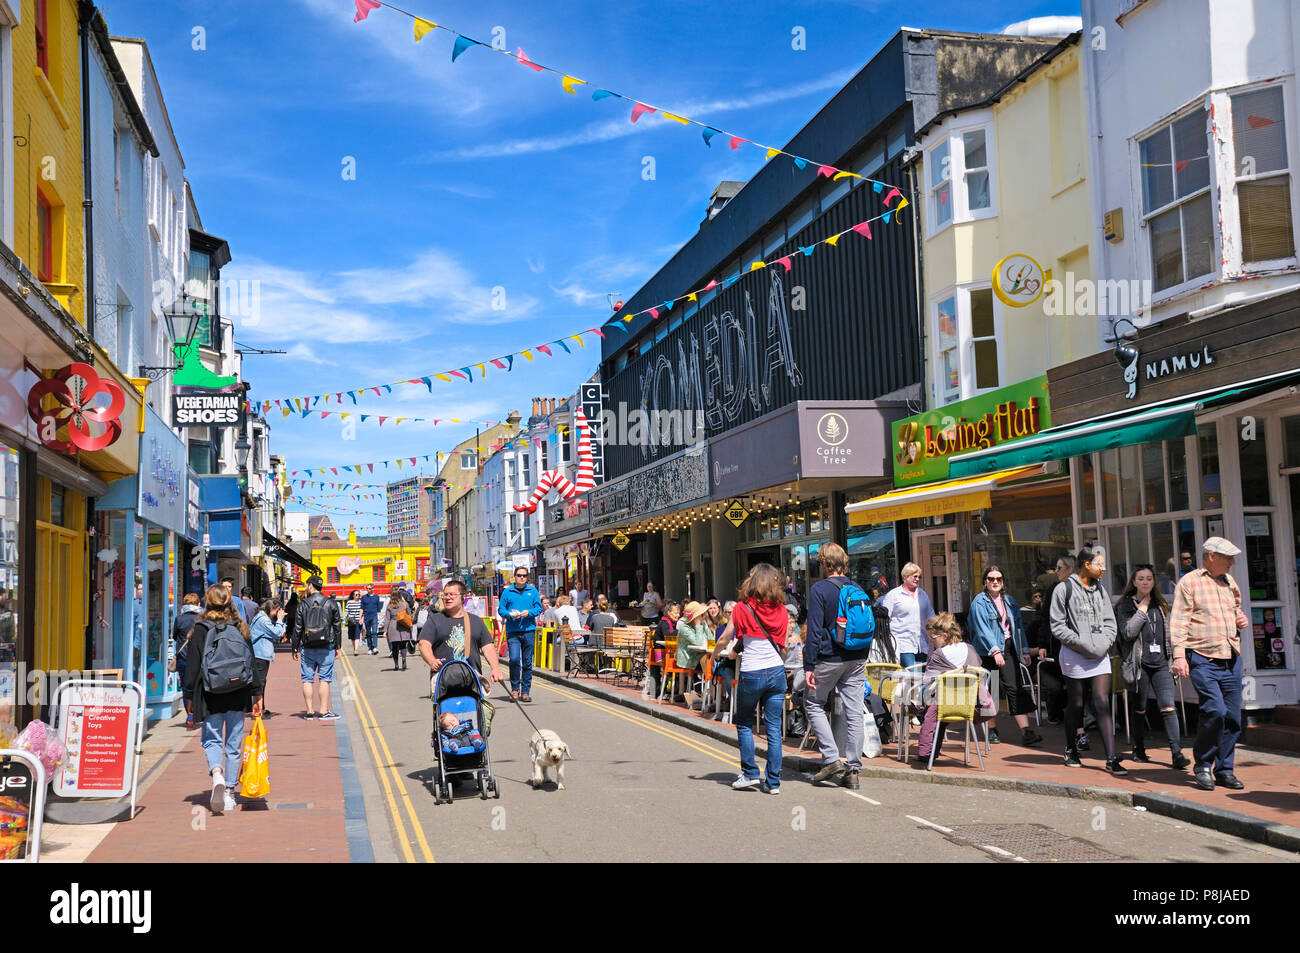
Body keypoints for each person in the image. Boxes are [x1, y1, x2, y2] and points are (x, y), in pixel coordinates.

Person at [1170, 538, 1249, 791]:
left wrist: (1239, 616)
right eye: (1228, 557)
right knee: (1215, 711)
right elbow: (1179, 620)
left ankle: (1224, 770)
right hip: (1202, 658)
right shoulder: (1190, 582)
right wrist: (1179, 656)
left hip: (1231, 657)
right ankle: (1203, 764)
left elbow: (1235, 607)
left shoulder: (1228, 581)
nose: (1233, 562)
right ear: (1212, 556)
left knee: (1234, 717)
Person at [184, 584, 263, 815]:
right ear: (229, 601)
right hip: (238, 690)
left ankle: (217, 773)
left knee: (212, 739)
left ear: (207, 601)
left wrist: (189, 696)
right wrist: (257, 693)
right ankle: (229, 792)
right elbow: (251, 660)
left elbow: (192, 667)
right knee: (233, 744)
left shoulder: (200, 628)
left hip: (210, 692)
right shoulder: (240, 626)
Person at [1050, 545, 1124, 775]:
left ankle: (1111, 758)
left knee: (1102, 701)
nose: (1103, 569)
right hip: (1075, 654)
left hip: (1100, 654)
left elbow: (1110, 621)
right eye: (1098, 564)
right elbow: (1057, 625)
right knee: (1077, 704)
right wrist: (1082, 643)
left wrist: (1105, 642)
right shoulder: (1063, 589)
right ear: (1085, 565)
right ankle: (1071, 748)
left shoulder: (1100, 590)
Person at [803, 542, 872, 789]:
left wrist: (809, 665)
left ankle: (831, 759)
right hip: (857, 656)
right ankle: (853, 770)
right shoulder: (857, 587)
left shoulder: (820, 589)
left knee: (812, 703)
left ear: (824, 563)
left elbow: (814, 631)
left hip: (828, 658)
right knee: (855, 711)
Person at [719, 563, 789, 794]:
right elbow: (784, 647)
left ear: (752, 582)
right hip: (777, 672)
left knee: (745, 723)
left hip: (752, 672)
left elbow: (726, 637)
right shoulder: (782, 610)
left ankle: (750, 773)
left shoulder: (741, 608)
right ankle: (773, 782)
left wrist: (713, 655)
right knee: (773, 729)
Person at [1116, 565, 1189, 770]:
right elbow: (1128, 632)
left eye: (1149, 578)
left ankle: (1176, 753)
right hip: (1139, 665)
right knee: (1140, 708)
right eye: (1141, 579)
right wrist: (1142, 609)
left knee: (1168, 705)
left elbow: (1171, 632)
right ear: (1134, 582)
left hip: (1161, 664)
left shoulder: (1162, 604)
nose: (1145, 582)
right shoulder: (1125, 605)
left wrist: (1176, 656)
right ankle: (1138, 749)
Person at [968, 566, 1042, 747]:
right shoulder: (979, 602)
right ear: (985, 581)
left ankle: (1026, 731)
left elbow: (1017, 628)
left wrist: (1024, 649)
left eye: (998, 579)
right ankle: (991, 729)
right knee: (990, 691)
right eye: (991, 579)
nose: (995, 582)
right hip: (987, 652)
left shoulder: (1009, 601)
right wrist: (995, 651)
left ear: (1002, 581)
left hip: (1008, 648)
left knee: (1014, 687)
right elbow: (982, 629)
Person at [915, 613, 984, 762]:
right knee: (936, 707)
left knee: (919, 700)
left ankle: (927, 752)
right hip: (971, 703)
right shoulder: (970, 648)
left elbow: (928, 681)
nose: (931, 641)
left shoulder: (939, 654)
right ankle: (932, 749)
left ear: (944, 635)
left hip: (945, 705)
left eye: (932, 638)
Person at [418, 578, 506, 692]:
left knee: (473, 709)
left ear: (463, 597)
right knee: (447, 710)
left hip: (471, 679)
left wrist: (496, 669)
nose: (447, 597)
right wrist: (432, 661)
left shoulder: (475, 621)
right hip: (443, 680)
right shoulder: (434, 620)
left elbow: (487, 647)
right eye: (445, 594)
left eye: (452, 594)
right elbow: (423, 643)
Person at [291, 575, 343, 720]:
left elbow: (298, 628)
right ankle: (323, 711)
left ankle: (309, 711)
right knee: (325, 679)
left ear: (310, 586)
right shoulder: (331, 603)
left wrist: (295, 647)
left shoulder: (303, 604)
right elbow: (337, 626)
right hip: (327, 646)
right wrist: (337, 646)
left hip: (307, 646)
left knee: (307, 678)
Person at [498, 567, 543, 702]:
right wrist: (510, 615)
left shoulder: (533, 591)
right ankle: (515, 689)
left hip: (528, 630)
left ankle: (525, 691)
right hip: (513, 631)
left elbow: (538, 608)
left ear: (527, 577)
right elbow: (501, 609)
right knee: (515, 660)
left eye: (524, 575)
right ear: (514, 576)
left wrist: (529, 613)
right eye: (519, 575)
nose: (521, 578)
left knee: (528, 663)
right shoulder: (507, 592)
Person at [878, 563, 934, 669]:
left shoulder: (922, 594)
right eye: (914, 576)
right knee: (913, 675)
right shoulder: (894, 595)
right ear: (905, 577)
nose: (917, 579)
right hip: (902, 643)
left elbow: (930, 615)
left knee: (921, 677)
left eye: (919, 577)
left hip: (921, 643)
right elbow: (884, 618)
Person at [248, 598, 285, 717]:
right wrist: (280, 620)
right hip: (260, 654)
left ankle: (261, 707)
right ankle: (259, 710)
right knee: (260, 682)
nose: (278, 613)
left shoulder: (261, 617)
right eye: (277, 610)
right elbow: (277, 633)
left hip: (261, 653)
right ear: (272, 608)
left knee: (261, 682)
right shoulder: (263, 619)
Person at [173, 592, 202, 730]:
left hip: (183, 658)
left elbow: (174, 636)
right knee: (200, 685)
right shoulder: (201, 618)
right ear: (198, 604)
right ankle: (198, 712)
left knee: (186, 687)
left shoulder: (179, 619)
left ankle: (189, 715)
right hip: (199, 657)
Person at [675, 601, 711, 685]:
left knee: (716, 662)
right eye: (702, 614)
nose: (704, 616)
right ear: (696, 617)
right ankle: (709, 689)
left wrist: (704, 626)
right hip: (690, 660)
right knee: (708, 662)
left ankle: (712, 689)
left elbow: (711, 641)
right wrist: (698, 625)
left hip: (700, 656)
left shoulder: (703, 624)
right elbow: (698, 643)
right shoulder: (684, 628)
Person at [383, 591, 417, 670]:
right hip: (403, 625)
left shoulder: (390, 605)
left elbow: (387, 619)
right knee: (403, 645)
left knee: (394, 647)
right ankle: (404, 658)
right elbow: (409, 614)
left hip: (393, 626)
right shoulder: (404, 604)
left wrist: (385, 631)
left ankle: (396, 664)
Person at [360, 583, 382, 655]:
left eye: (369, 588)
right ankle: (370, 647)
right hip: (366, 617)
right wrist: (360, 618)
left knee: (375, 632)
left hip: (374, 616)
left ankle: (375, 647)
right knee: (368, 633)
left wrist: (380, 619)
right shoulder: (364, 597)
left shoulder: (376, 597)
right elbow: (362, 608)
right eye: (367, 588)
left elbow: (378, 608)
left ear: (373, 589)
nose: (368, 590)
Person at [345, 590, 363, 655]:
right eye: (356, 594)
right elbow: (347, 611)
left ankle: (356, 649)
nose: (357, 596)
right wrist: (345, 619)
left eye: (358, 594)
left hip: (358, 621)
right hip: (351, 621)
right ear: (353, 595)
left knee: (357, 635)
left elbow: (363, 611)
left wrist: (362, 619)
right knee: (352, 636)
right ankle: (354, 648)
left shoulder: (361, 602)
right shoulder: (349, 602)